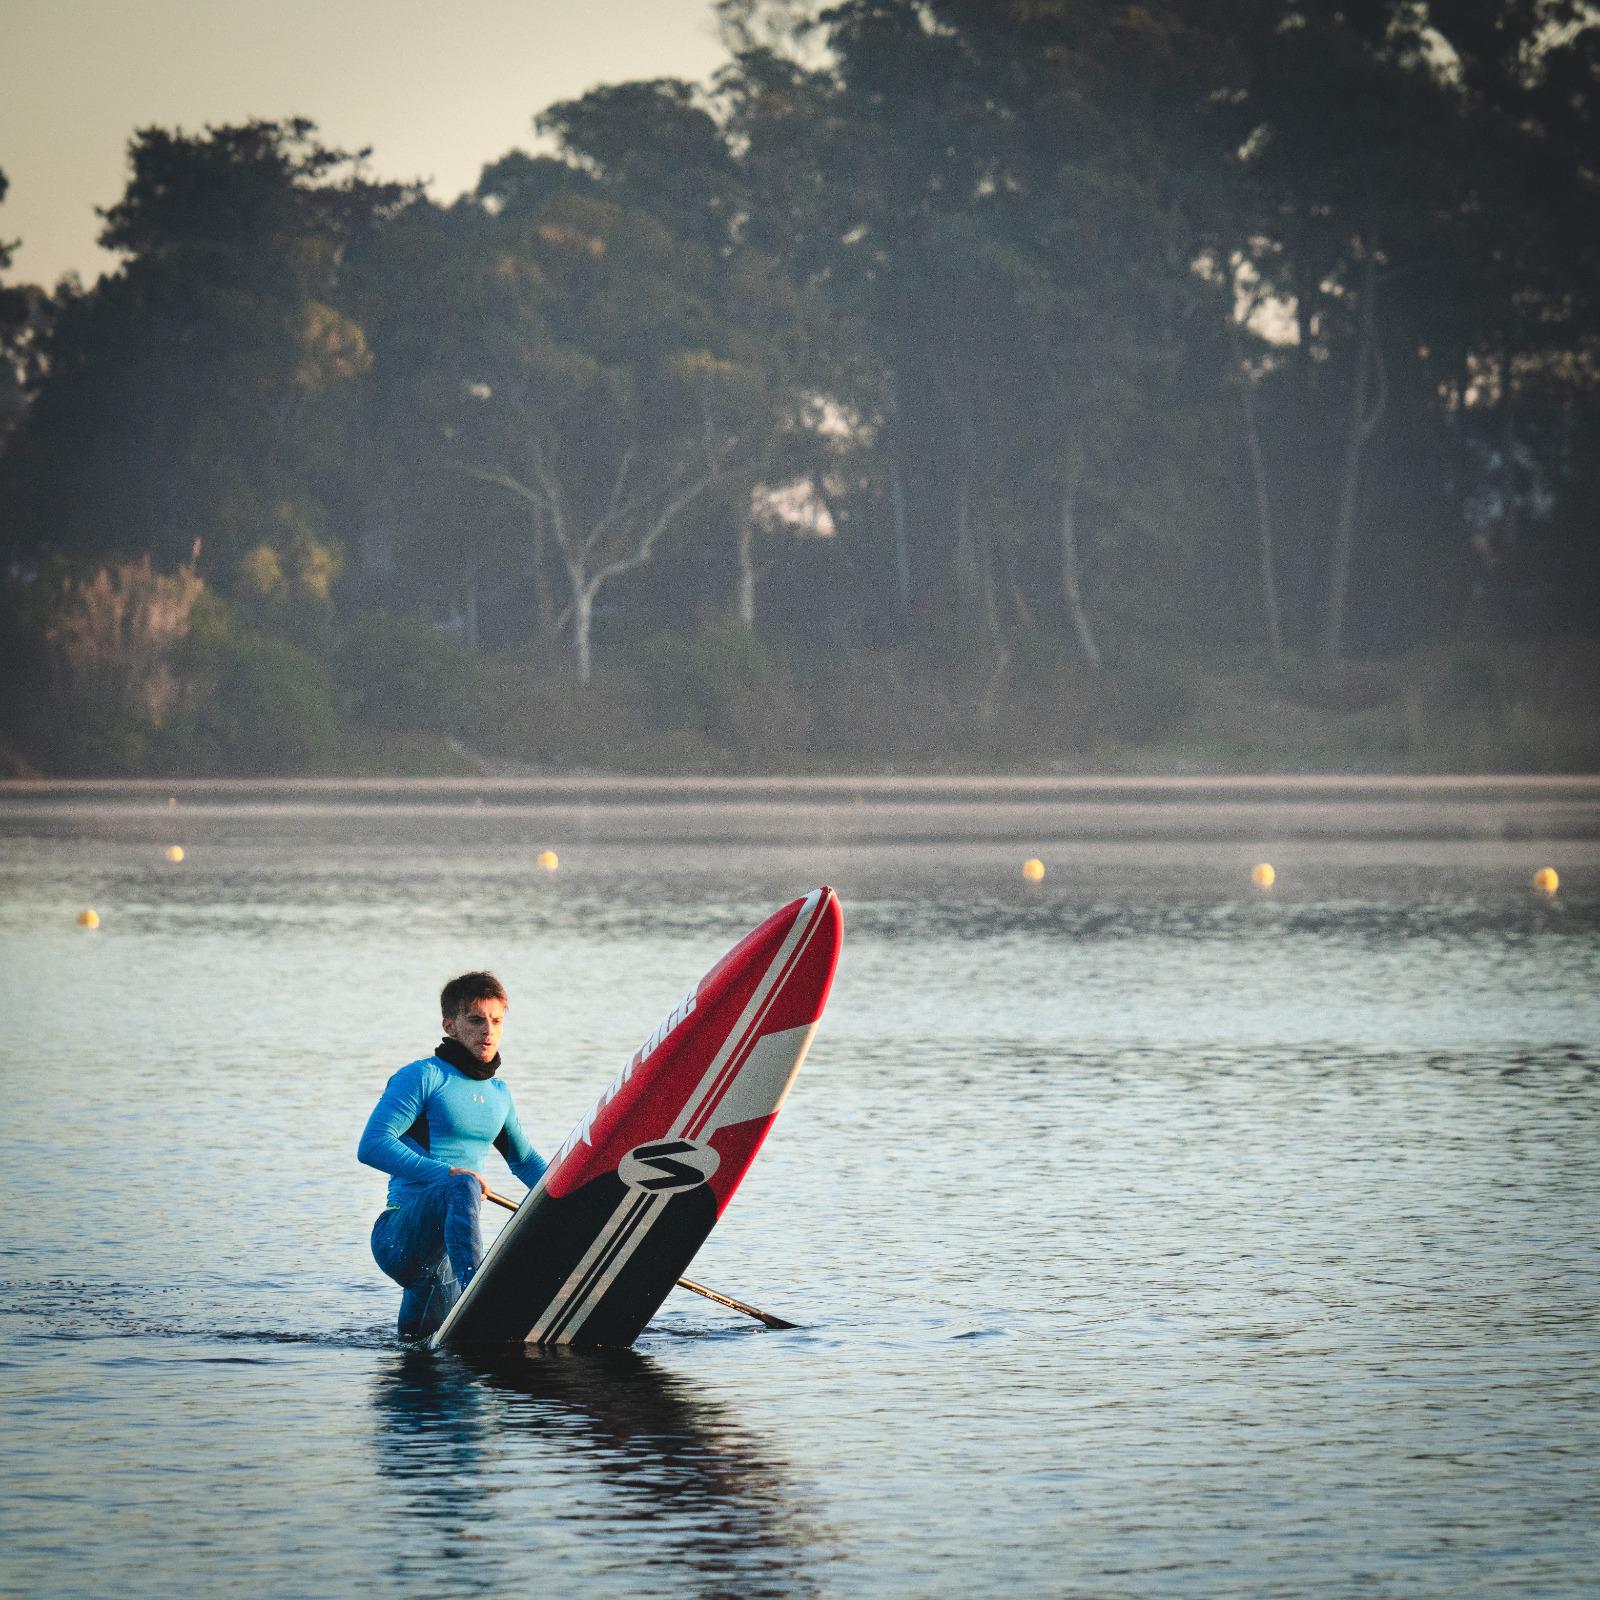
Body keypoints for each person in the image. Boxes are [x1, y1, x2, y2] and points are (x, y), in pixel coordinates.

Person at [358, 971, 547, 1340]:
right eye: (476, 1020)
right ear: (450, 1026)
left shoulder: (499, 1093)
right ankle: (478, 1291)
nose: (487, 1032)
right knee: (461, 1184)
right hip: (400, 1235)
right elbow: (373, 1144)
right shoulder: (422, 1077)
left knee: (423, 1352)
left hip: (446, 1257)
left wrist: (576, 1199)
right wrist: (448, 1174)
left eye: (496, 1021)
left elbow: (525, 1163)